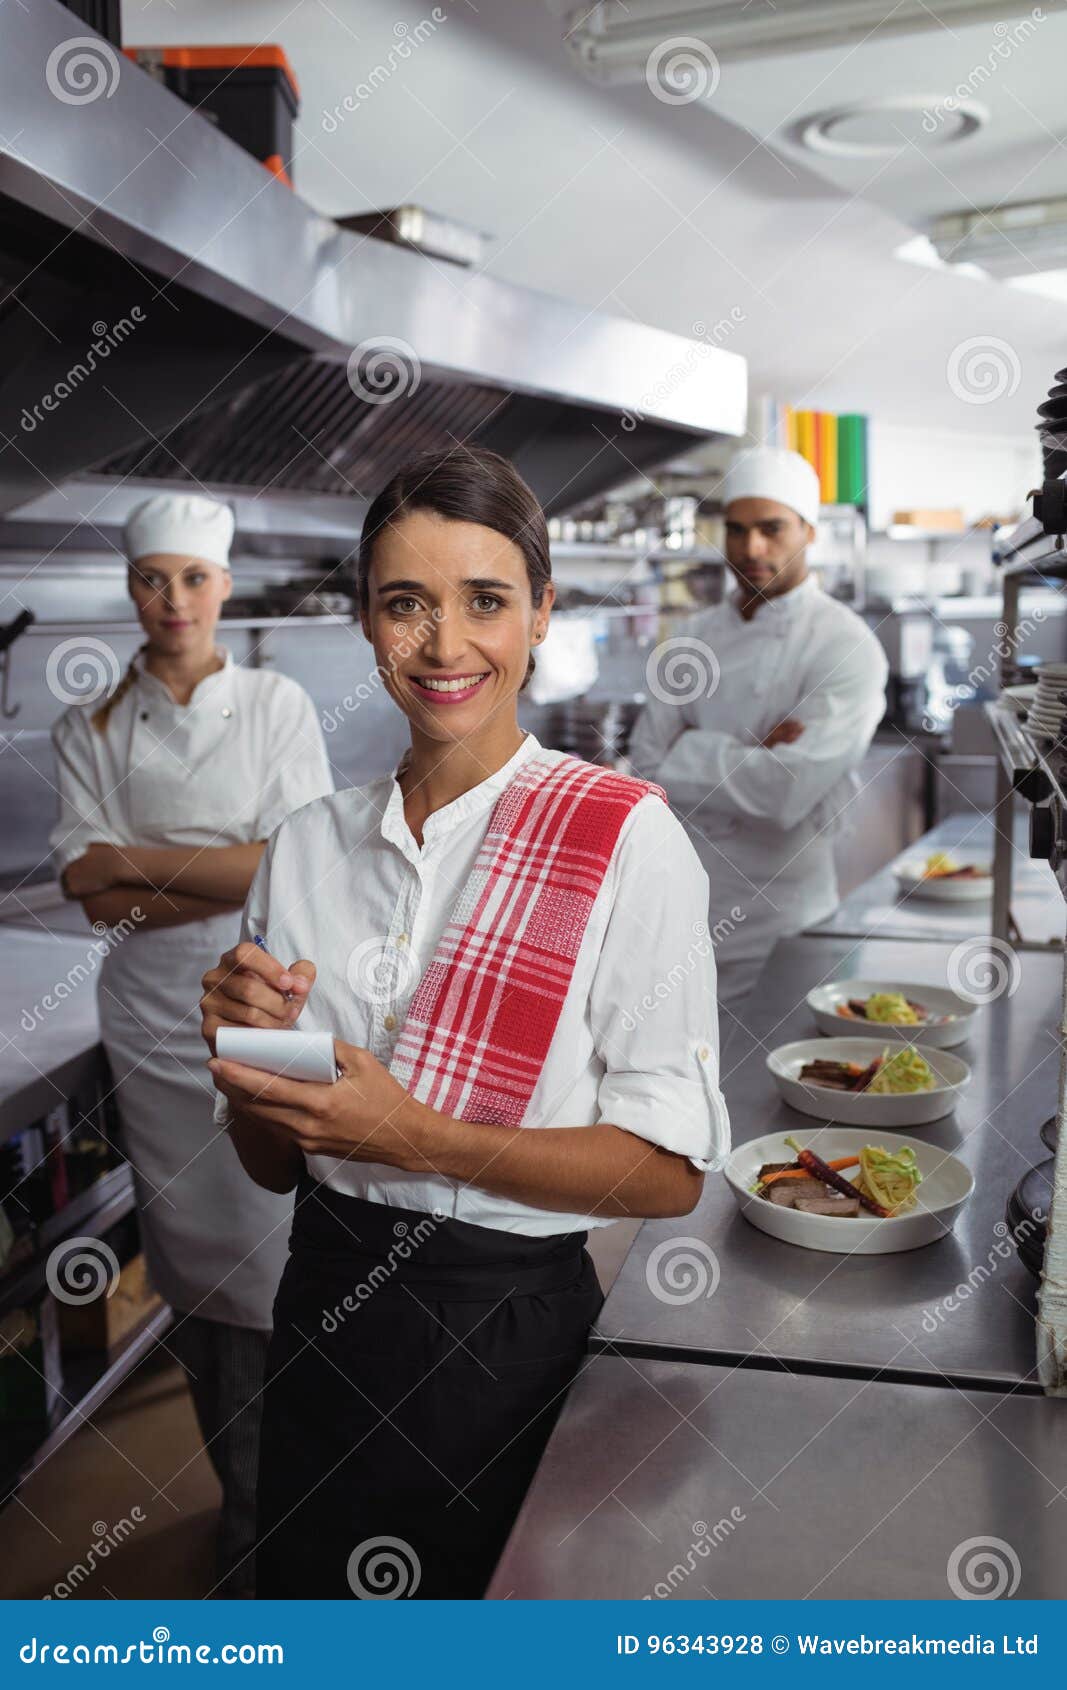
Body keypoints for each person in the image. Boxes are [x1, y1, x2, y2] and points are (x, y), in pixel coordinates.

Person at [200, 447, 730, 1600]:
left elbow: (663, 1171)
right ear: (365, 624)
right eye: (406, 604)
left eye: (485, 600)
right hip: (326, 1315)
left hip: (510, 1332)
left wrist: (410, 1134)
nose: (445, 647)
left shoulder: (624, 840)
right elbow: (273, 1161)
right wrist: (244, 1062)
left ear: (540, 612)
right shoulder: (305, 845)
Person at [49, 492, 333, 1596]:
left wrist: (136, 862)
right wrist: (224, 861)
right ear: (131, 590)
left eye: (193, 579)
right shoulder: (93, 724)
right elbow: (82, 887)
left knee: (278, 1258)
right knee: (196, 1274)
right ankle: (245, 1511)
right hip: (148, 1020)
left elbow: (292, 861)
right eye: (151, 581)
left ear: (223, 586)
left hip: (263, 1000)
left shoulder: (275, 701)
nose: (173, 601)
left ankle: (284, 1512)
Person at [629, 446, 888, 1016]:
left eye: (772, 529)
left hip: (785, 924)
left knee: (772, 1087)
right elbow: (645, 769)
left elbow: (783, 794)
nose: (751, 548)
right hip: (683, 911)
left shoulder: (845, 646)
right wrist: (751, 753)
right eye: (737, 529)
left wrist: (689, 750)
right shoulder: (688, 637)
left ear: (809, 531)